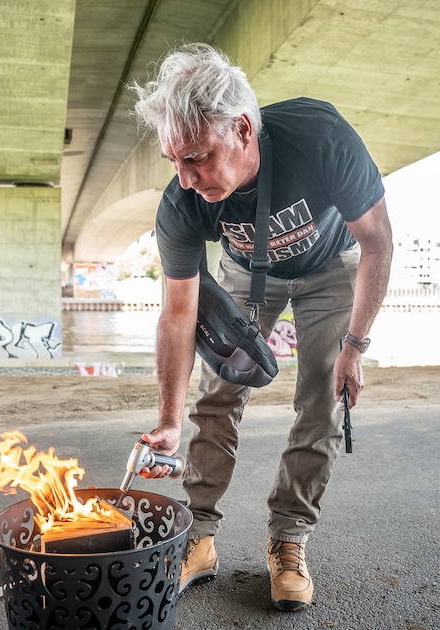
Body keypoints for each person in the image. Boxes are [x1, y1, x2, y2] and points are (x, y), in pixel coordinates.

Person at [130, 43, 393, 611]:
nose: (187, 177)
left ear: (243, 130)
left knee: (321, 398)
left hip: (331, 268)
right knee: (216, 396)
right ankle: (198, 535)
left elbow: (377, 241)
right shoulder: (182, 201)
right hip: (247, 273)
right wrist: (167, 421)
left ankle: (288, 540)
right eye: (174, 161)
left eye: (198, 157)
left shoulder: (319, 136)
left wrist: (356, 345)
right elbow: (179, 313)